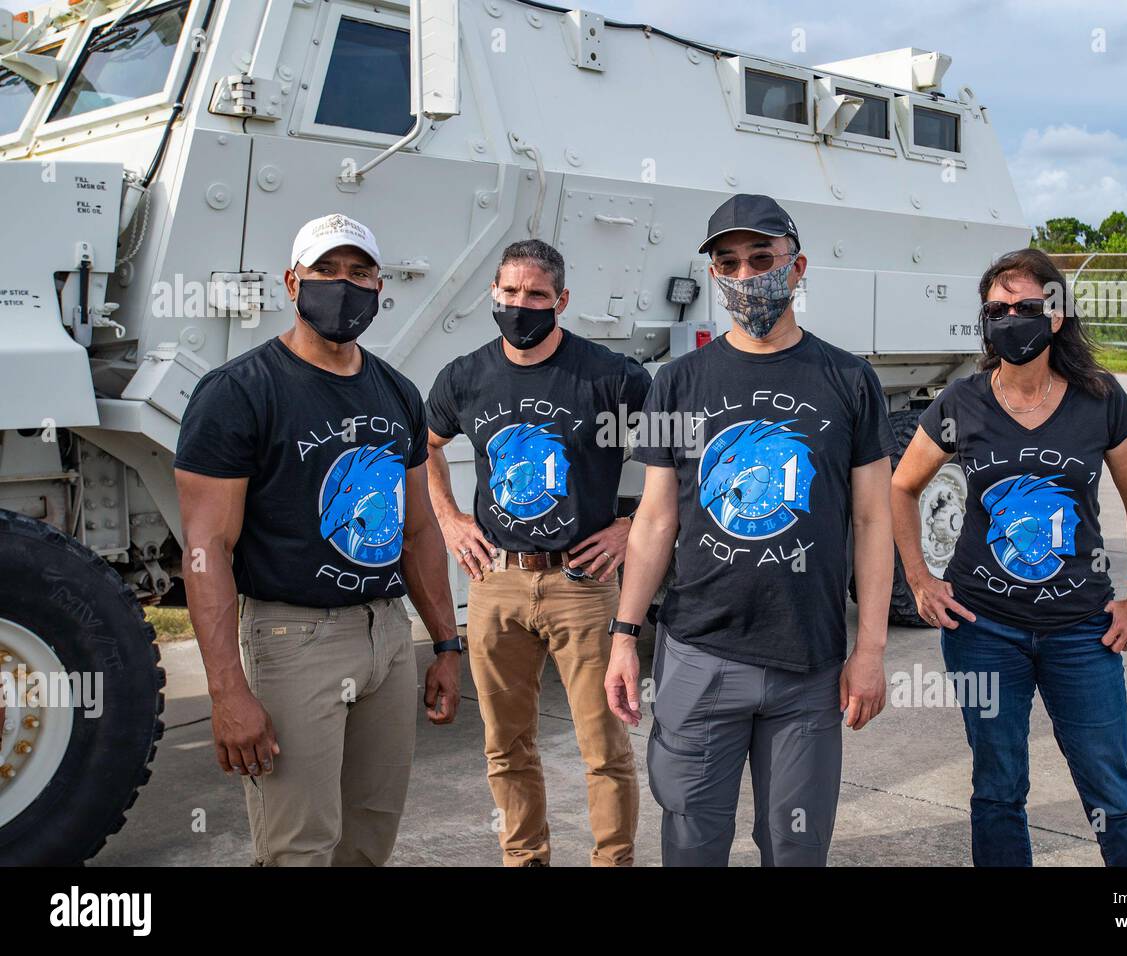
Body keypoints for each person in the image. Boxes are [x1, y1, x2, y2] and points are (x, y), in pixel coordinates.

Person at [605, 194, 898, 866]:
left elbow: (873, 517)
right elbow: (654, 520)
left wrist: (872, 649)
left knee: (796, 847)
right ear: (713, 275)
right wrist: (624, 636)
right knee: (691, 843)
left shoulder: (849, 379)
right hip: (701, 657)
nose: (746, 276)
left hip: (809, 666)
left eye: (761, 259)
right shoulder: (675, 383)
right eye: (729, 262)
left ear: (798, 267)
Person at [175, 213, 462, 866]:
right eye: (325, 271)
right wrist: (227, 691)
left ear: (379, 286)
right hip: (292, 639)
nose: (343, 285)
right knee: (298, 847)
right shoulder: (238, 393)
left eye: (358, 272)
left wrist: (445, 643)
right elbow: (206, 550)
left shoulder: (396, 392)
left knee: (368, 838)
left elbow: (418, 530)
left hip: (386, 636)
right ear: (291, 281)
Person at [891, 247, 1127, 867]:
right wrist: (919, 580)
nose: (1011, 318)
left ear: (1058, 315)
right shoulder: (961, 404)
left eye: (1026, 307)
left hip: (1082, 632)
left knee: (1113, 792)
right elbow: (901, 487)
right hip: (982, 629)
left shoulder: (1101, 399)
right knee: (997, 789)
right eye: (997, 309)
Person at [424, 239, 649, 867]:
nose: (521, 306)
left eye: (536, 295)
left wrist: (630, 527)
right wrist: (449, 519)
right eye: (510, 293)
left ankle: (613, 861)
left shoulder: (610, 376)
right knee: (506, 745)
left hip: (582, 583)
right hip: (496, 582)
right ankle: (524, 859)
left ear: (562, 301)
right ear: (493, 295)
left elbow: (684, 452)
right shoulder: (464, 377)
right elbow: (425, 446)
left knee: (602, 747)